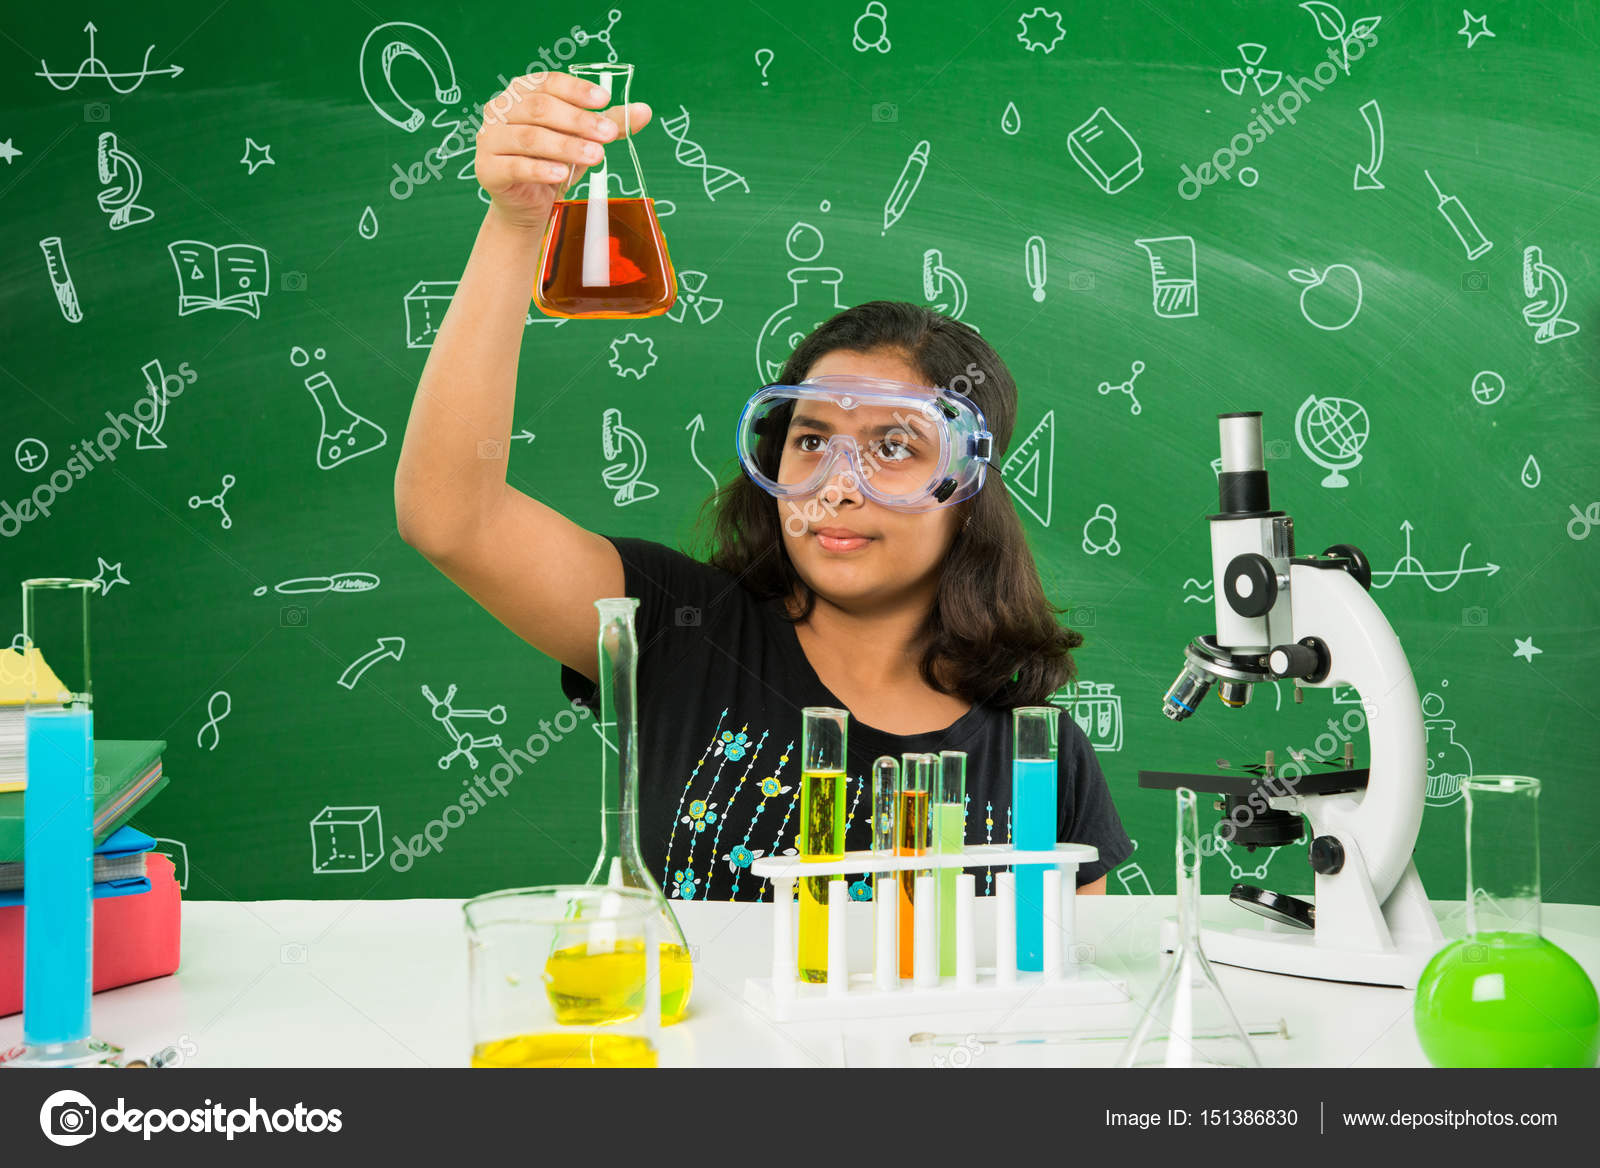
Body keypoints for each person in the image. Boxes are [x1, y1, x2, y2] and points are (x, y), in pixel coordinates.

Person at [395, 71, 1133, 903]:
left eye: (893, 446)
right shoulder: (677, 627)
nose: (834, 485)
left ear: (965, 482)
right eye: (810, 439)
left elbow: (1068, 994)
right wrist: (518, 219)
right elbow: (451, 518)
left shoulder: (1038, 752)